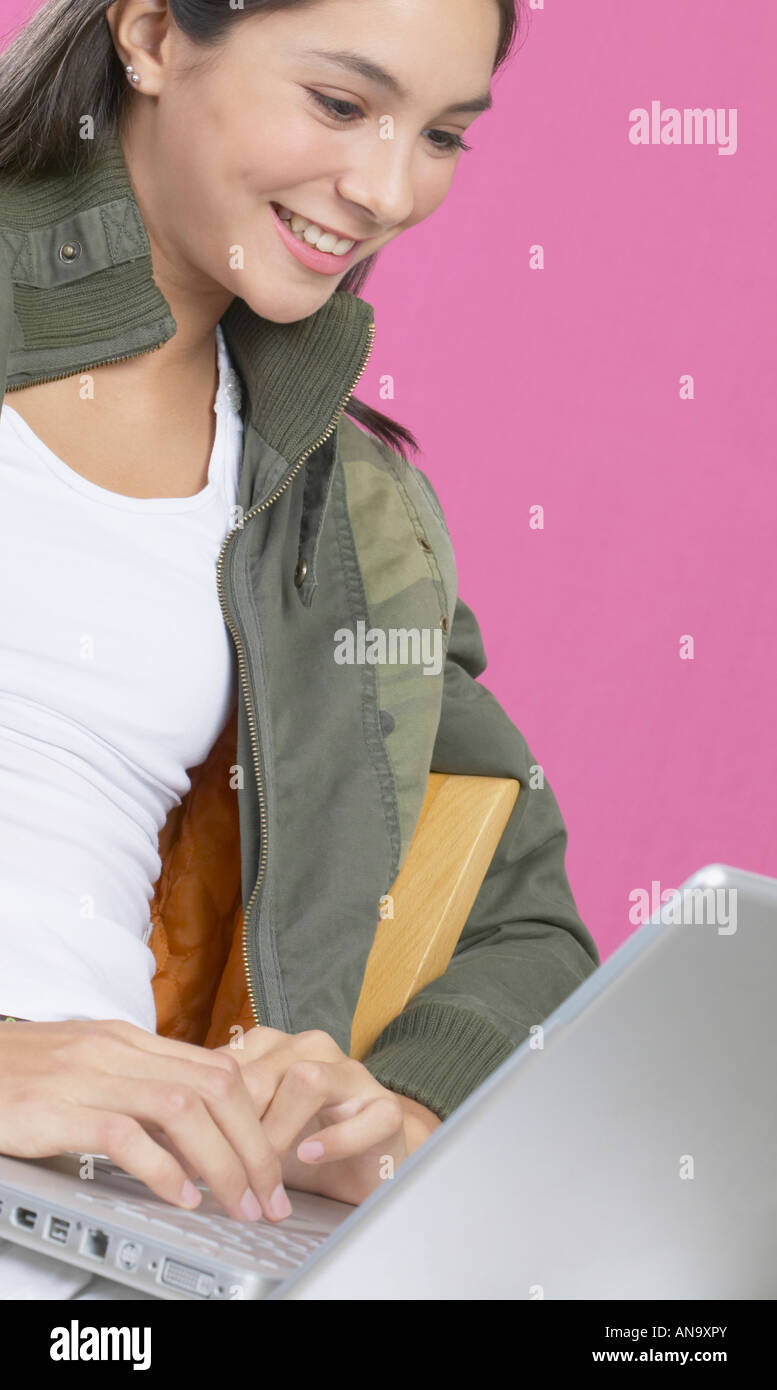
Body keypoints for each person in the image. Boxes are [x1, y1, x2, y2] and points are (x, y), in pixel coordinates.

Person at [0, 0, 599, 1226]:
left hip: (113, 1225)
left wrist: (396, 1109)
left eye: (441, 135)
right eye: (340, 103)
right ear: (155, 35)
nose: (384, 188)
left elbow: (528, 926)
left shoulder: (340, 512)